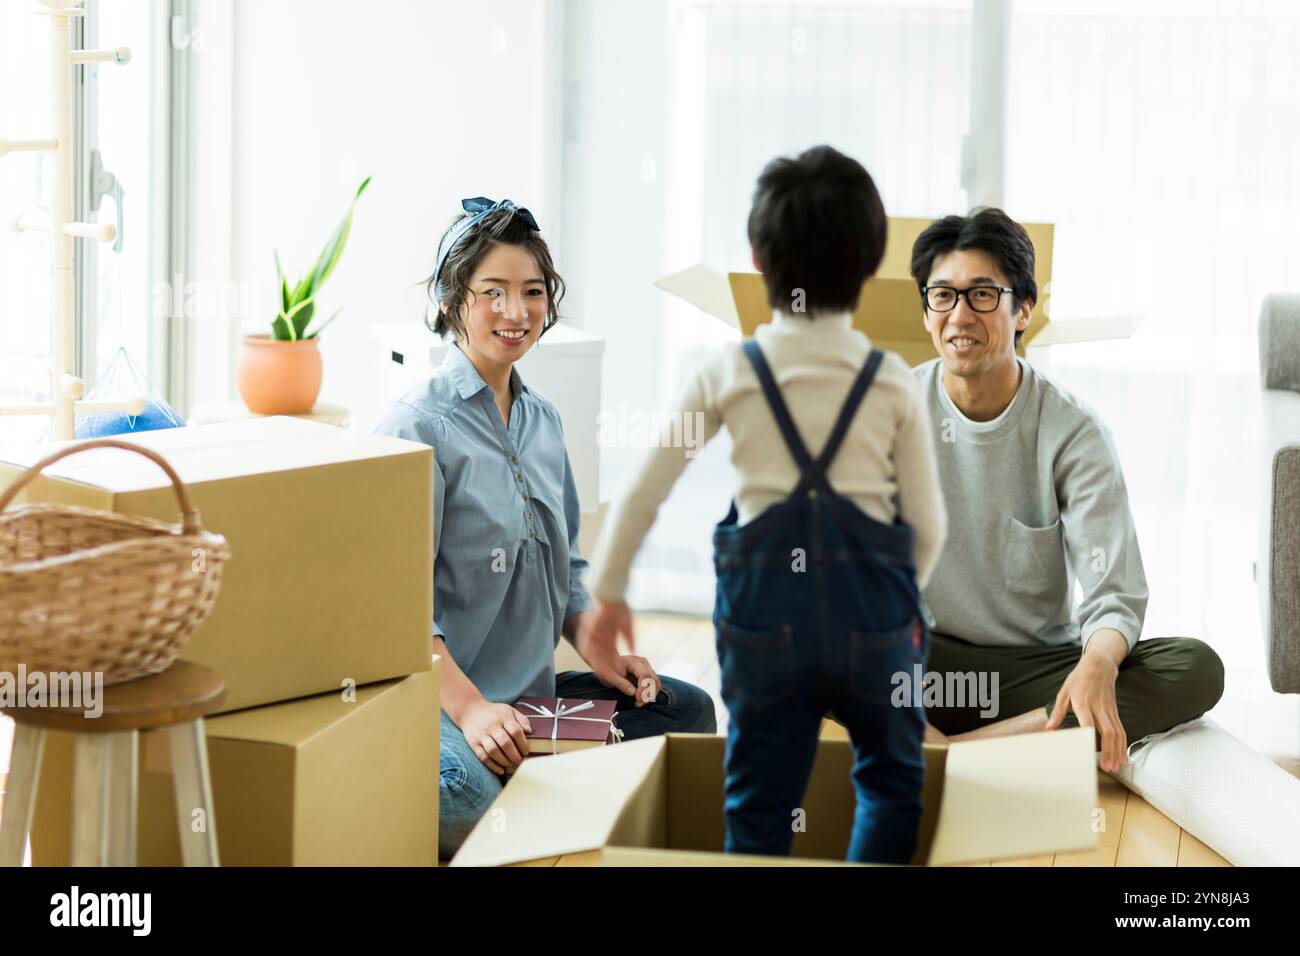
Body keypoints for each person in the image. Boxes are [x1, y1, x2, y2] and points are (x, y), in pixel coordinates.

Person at [583, 146, 947, 862]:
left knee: (758, 804)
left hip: (764, 627)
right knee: (891, 783)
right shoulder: (892, 381)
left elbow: (645, 489)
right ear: (871, 263)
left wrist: (610, 590)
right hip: (875, 628)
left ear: (757, 257)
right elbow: (929, 530)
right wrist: (891, 613)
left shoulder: (727, 372)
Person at [373, 197, 716, 860]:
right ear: (453, 300)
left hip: (533, 706)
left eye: (532, 292)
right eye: (493, 292)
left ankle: (546, 786)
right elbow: (396, 612)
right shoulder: (417, 425)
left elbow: (568, 578)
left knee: (690, 714)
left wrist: (603, 653)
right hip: (445, 711)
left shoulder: (546, 423)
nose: (516, 311)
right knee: (459, 796)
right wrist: (472, 711)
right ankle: (553, 793)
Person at [909, 207, 1224, 773]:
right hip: (919, 662)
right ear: (927, 309)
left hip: (1033, 669)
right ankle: (1034, 740)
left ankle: (957, 757)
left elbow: (1115, 590)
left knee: (1194, 666)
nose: (959, 315)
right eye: (942, 296)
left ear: (1023, 309)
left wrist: (1099, 660)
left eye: (982, 295)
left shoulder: (1072, 431)